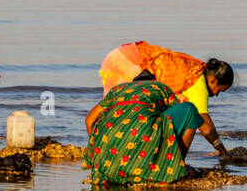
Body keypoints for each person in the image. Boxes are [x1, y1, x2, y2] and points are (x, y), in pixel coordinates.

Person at [99, 42, 236, 159]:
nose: (217, 95)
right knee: (191, 117)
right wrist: (223, 152)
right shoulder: (198, 83)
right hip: (125, 63)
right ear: (213, 80)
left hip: (121, 56)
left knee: (122, 111)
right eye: (220, 90)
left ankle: (112, 149)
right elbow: (205, 125)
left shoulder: (194, 69)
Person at [85, 79, 202, 185]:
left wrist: (101, 150)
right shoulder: (161, 87)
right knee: (189, 110)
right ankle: (176, 167)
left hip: (106, 146)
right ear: (151, 81)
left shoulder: (118, 89)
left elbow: (89, 120)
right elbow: (180, 120)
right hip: (140, 129)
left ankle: (114, 168)